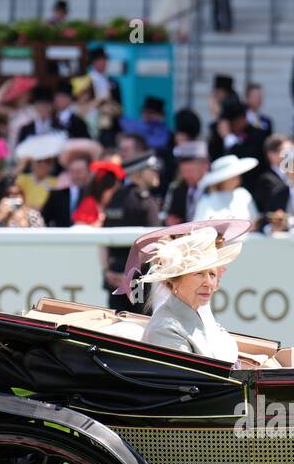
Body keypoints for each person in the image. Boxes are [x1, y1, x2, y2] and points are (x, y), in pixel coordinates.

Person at [139, 226, 244, 362]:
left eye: (212, 274)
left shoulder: (205, 320)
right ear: (176, 280)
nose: (208, 283)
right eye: (199, 273)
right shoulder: (166, 329)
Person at [102, 153, 164, 309]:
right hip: (137, 280)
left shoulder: (115, 198)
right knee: (139, 325)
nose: (157, 173)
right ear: (138, 173)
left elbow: (102, 241)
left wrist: (107, 271)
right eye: (152, 169)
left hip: (113, 276)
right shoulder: (145, 202)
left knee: (114, 325)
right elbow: (152, 244)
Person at [194, 153, 259, 221]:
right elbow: (199, 226)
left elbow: (255, 220)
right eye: (233, 175)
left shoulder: (243, 194)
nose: (238, 177)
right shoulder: (206, 201)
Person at [166, 141, 210, 225]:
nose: (187, 175)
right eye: (183, 171)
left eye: (191, 171)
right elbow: (173, 216)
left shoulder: (214, 189)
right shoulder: (178, 190)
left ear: (205, 166)